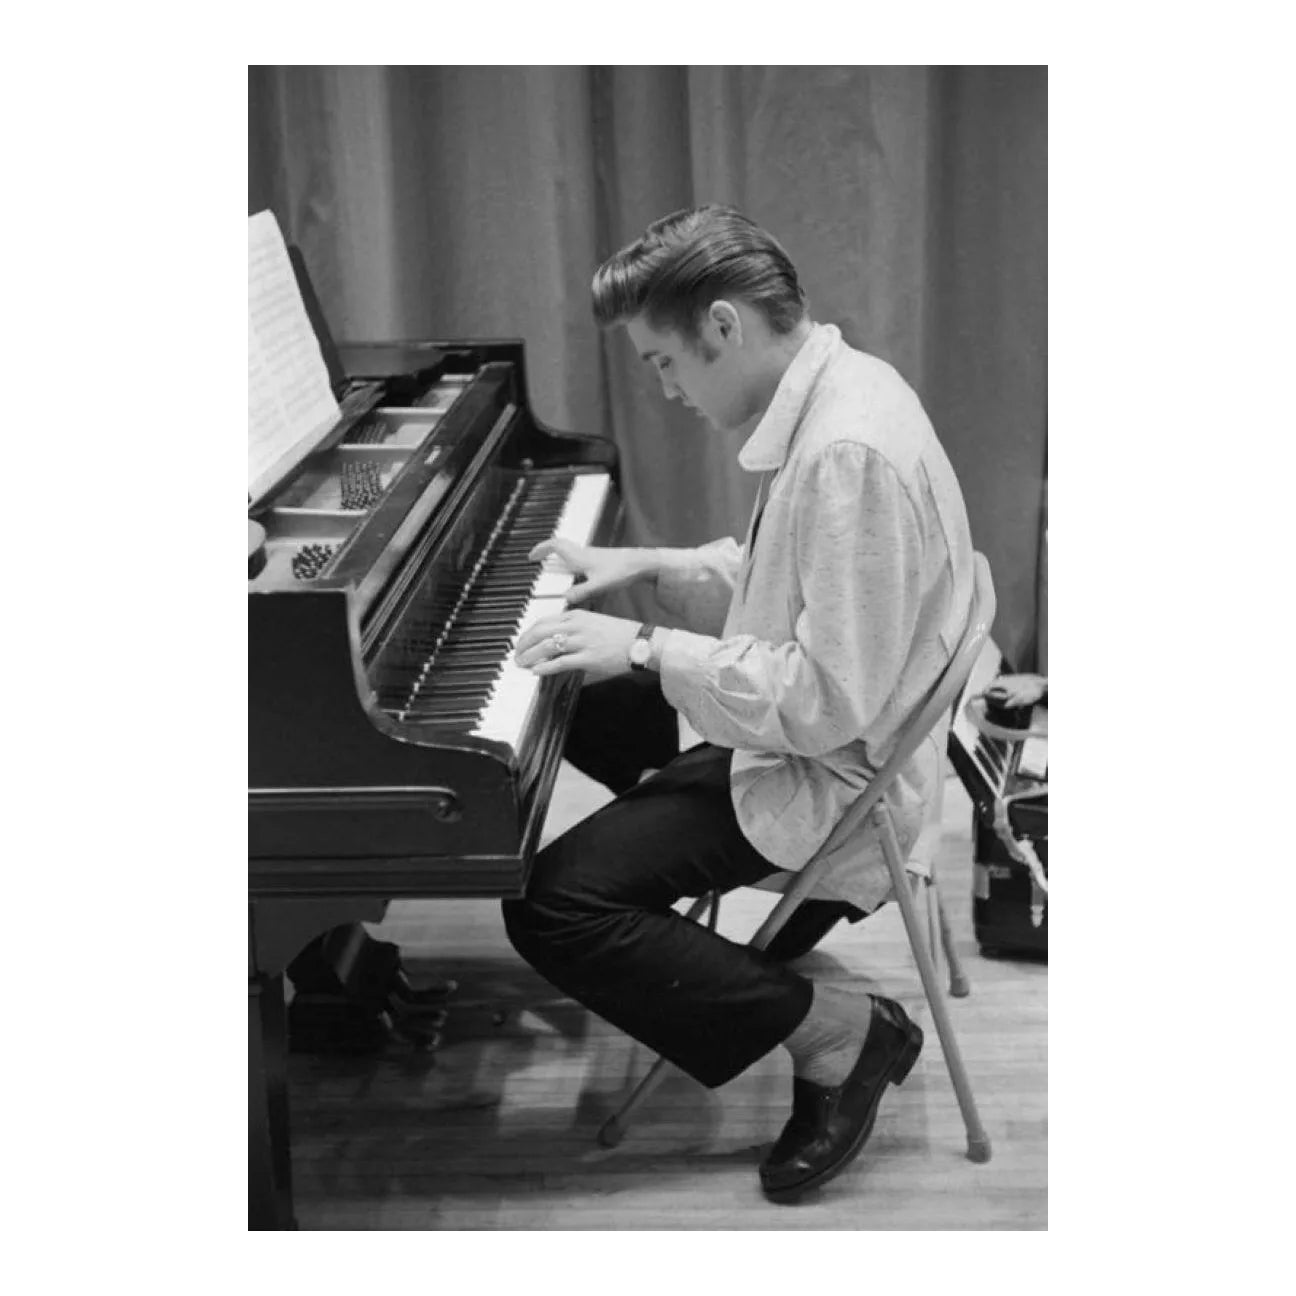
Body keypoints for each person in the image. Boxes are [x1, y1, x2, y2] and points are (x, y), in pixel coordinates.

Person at [501, 205, 977, 1202]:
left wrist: (641, 642)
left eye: (663, 362)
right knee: (558, 691)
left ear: (722, 326)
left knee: (555, 906)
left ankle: (840, 1036)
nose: (666, 388)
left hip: (827, 771)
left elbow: (824, 699)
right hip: (805, 730)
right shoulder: (843, 383)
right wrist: (646, 567)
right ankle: (678, 951)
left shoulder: (849, 452)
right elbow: (787, 578)